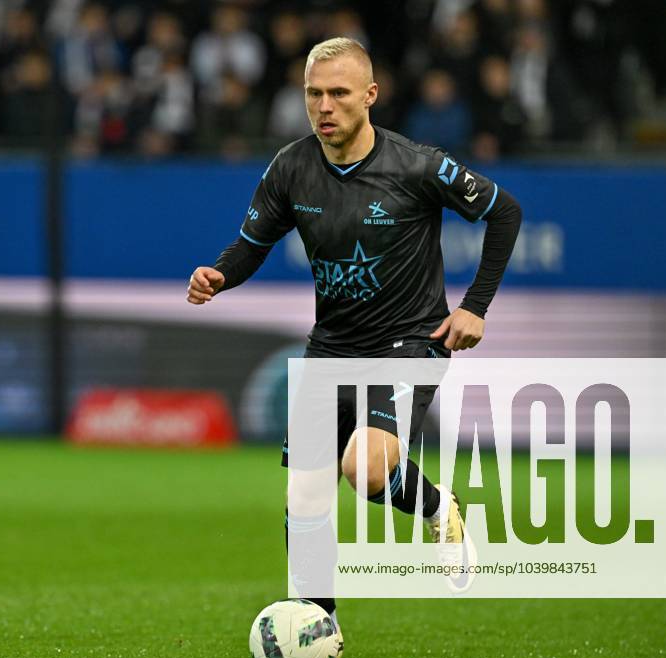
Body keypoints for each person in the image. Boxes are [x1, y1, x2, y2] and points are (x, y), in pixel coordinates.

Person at [186, 38, 522, 622]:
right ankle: (319, 625)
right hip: (330, 348)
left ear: (370, 95)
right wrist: (220, 274)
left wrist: (475, 306)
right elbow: (250, 246)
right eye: (313, 93)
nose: (324, 106)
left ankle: (437, 507)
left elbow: (505, 211)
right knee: (304, 498)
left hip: (408, 341)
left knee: (364, 469)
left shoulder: (417, 165)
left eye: (339, 93)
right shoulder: (291, 167)